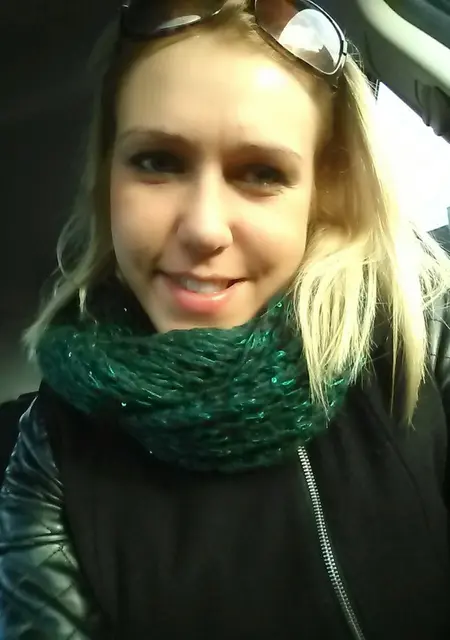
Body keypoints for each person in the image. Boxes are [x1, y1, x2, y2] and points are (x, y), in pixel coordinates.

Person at [0, 0, 449, 638]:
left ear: (319, 195)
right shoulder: (51, 452)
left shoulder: (417, 327)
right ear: (106, 181)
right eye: (158, 162)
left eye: (262, 173)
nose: (205, 228)